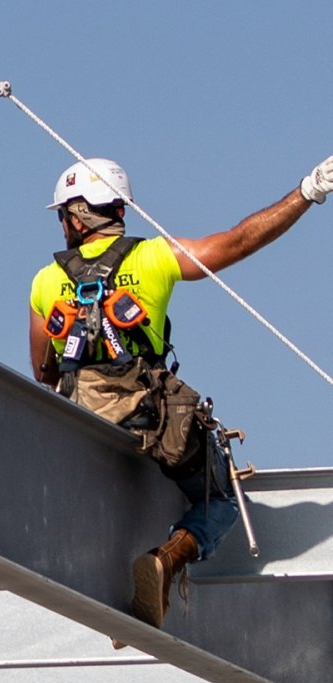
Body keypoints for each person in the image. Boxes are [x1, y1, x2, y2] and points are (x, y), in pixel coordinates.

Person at [29, 154, 333, 630]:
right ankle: (167, 558)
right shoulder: (152, 258)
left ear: (76, 215)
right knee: (221, 502)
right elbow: (237, 242)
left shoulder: (46, 282)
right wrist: (307, 192)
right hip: (151, 418)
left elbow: (43, 373)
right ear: (119, 211)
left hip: (82, 425)